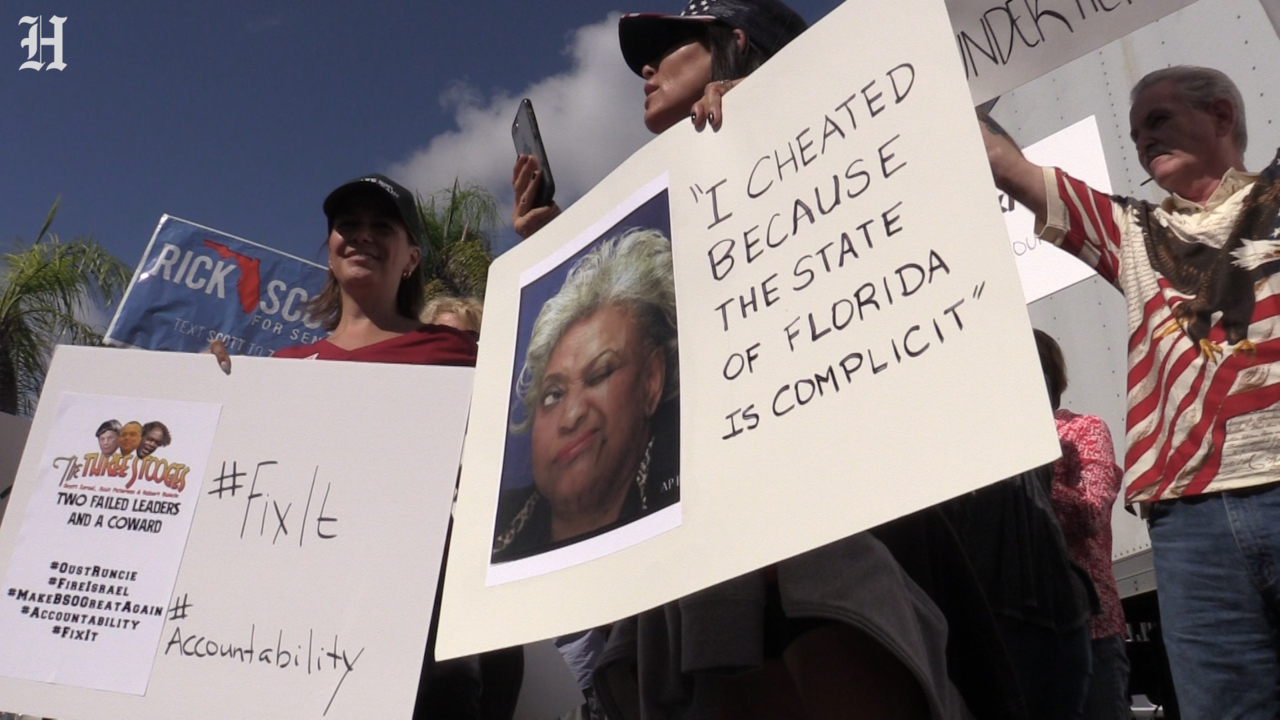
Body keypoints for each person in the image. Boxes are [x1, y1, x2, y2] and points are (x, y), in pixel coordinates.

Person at [510, 2, 978, 718]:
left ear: (735, 44)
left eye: (672, 45)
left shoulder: (828, 153)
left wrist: (770, 126)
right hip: (707, 563)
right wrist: (556, 252)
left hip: (818, 539)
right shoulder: (665, 219)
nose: (646, 66)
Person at [983, 65, 1280, 719]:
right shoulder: (1134, 232)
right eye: (1134, 131)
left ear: (1223, 117)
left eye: (1159, 120)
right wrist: (916, 69)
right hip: (1192, 522)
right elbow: (1004, 164)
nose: (1143, 141)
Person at [270, 173, 519, 720]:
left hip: (422, 619)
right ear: (330, 250)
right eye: (347, 226)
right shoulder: (283, 369)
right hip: (299, 625)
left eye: (382, 226)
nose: (361, 236)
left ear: (410, 258)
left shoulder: (458, 352)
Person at [493, 228, 679, 563]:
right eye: (553, 395)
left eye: (600, 374)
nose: (571, 415)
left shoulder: (687, 485)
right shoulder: (495, 530)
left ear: (651, 379)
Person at [1034, 330, 1130, 720]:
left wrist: (1036, 477)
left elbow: (1091, 514)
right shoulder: (986, 451)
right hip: (1023, 632)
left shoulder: (1082, 431)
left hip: (1090, 627)